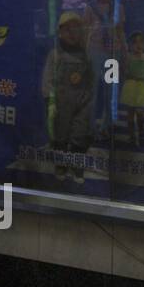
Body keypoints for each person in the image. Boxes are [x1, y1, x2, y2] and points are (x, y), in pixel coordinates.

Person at [42, 11, 92, 184]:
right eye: (68, 29)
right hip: (62, 102)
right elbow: (47, 79)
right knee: (60, 135)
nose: (72, 33)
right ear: (60, 32)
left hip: (83, 101)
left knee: (80, 134)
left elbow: (95, 77)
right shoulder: (55, 55)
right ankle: (61, 165)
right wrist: (50, 99)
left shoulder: (87, 55)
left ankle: (78, 167)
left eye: (76, 29)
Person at [84, 0, 125, 141]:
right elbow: (84, 32)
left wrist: (124, 52)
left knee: (110, 93)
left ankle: (106, 126)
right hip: (94, 53)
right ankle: (91, 128)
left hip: (112, 54)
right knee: (93, 92)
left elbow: (121, 32)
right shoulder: (89, 8)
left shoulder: (118, 8)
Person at [120, 31, 144, 148]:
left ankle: (141, 134)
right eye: (135, 42)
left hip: (141, 86)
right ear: (131, 45)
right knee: (130, 113)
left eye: (141, 42)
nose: (138, 45)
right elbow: (124, 72)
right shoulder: (128, 58)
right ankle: (132, 136)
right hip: (130, 85)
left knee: (140, 112)